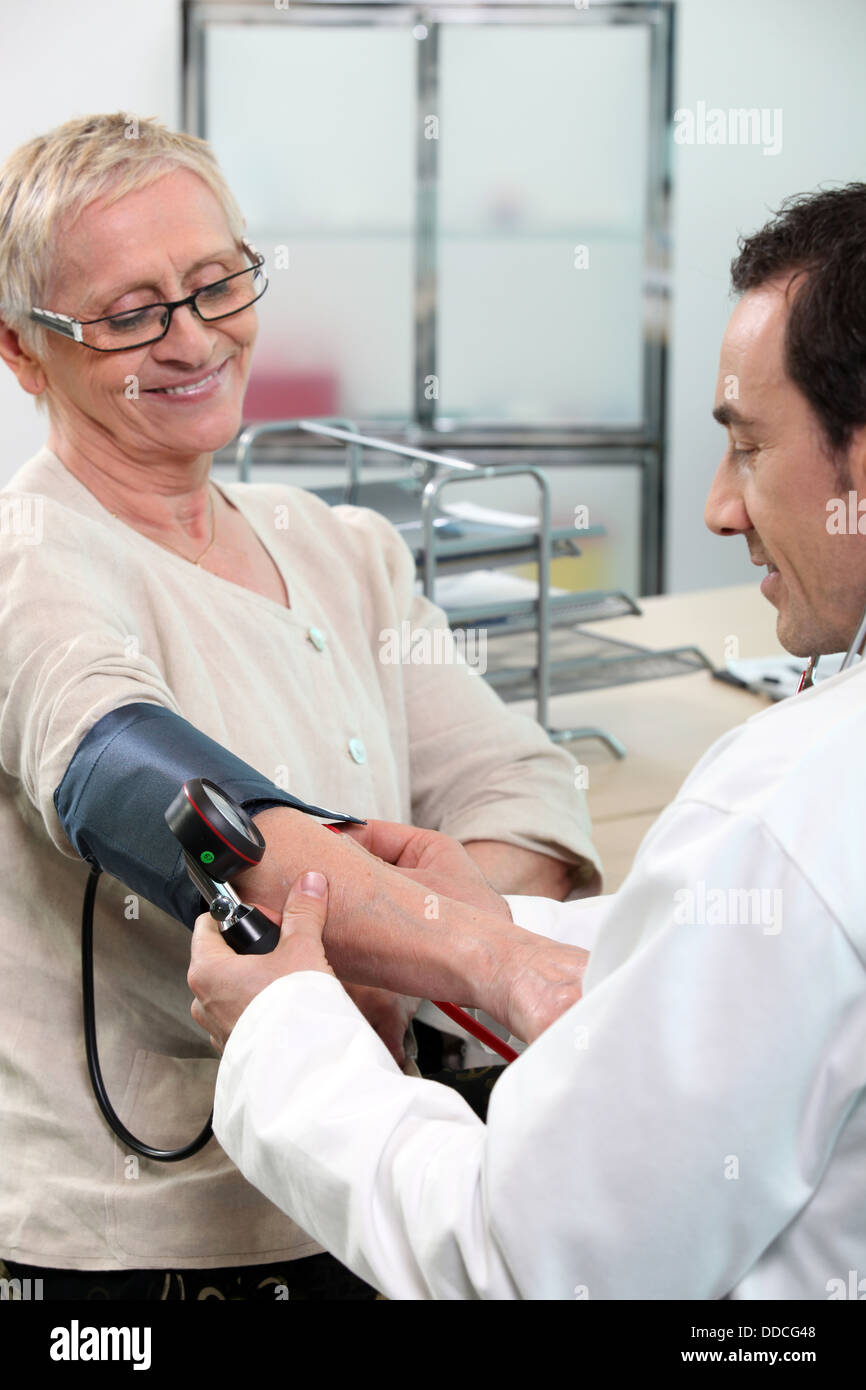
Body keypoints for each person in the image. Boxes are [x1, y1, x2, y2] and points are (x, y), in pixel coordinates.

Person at [187, 183, 866, 1299]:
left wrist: (283, 1031)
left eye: (746, 446)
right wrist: (487, 929)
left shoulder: (793, 807)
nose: (716, 508)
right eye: (130, 311)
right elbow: (746, 986)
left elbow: (522, 1264)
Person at [0, 113, 600, 1300]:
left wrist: (397, 955)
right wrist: (486, 958)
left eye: (217, 282)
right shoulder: (32, 565)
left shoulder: (341, 549)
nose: (194, 338)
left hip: (365, 1182)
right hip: (136, 1248)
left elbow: (516, 791)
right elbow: (156, 793)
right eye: (130, 313)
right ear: (24, 353)